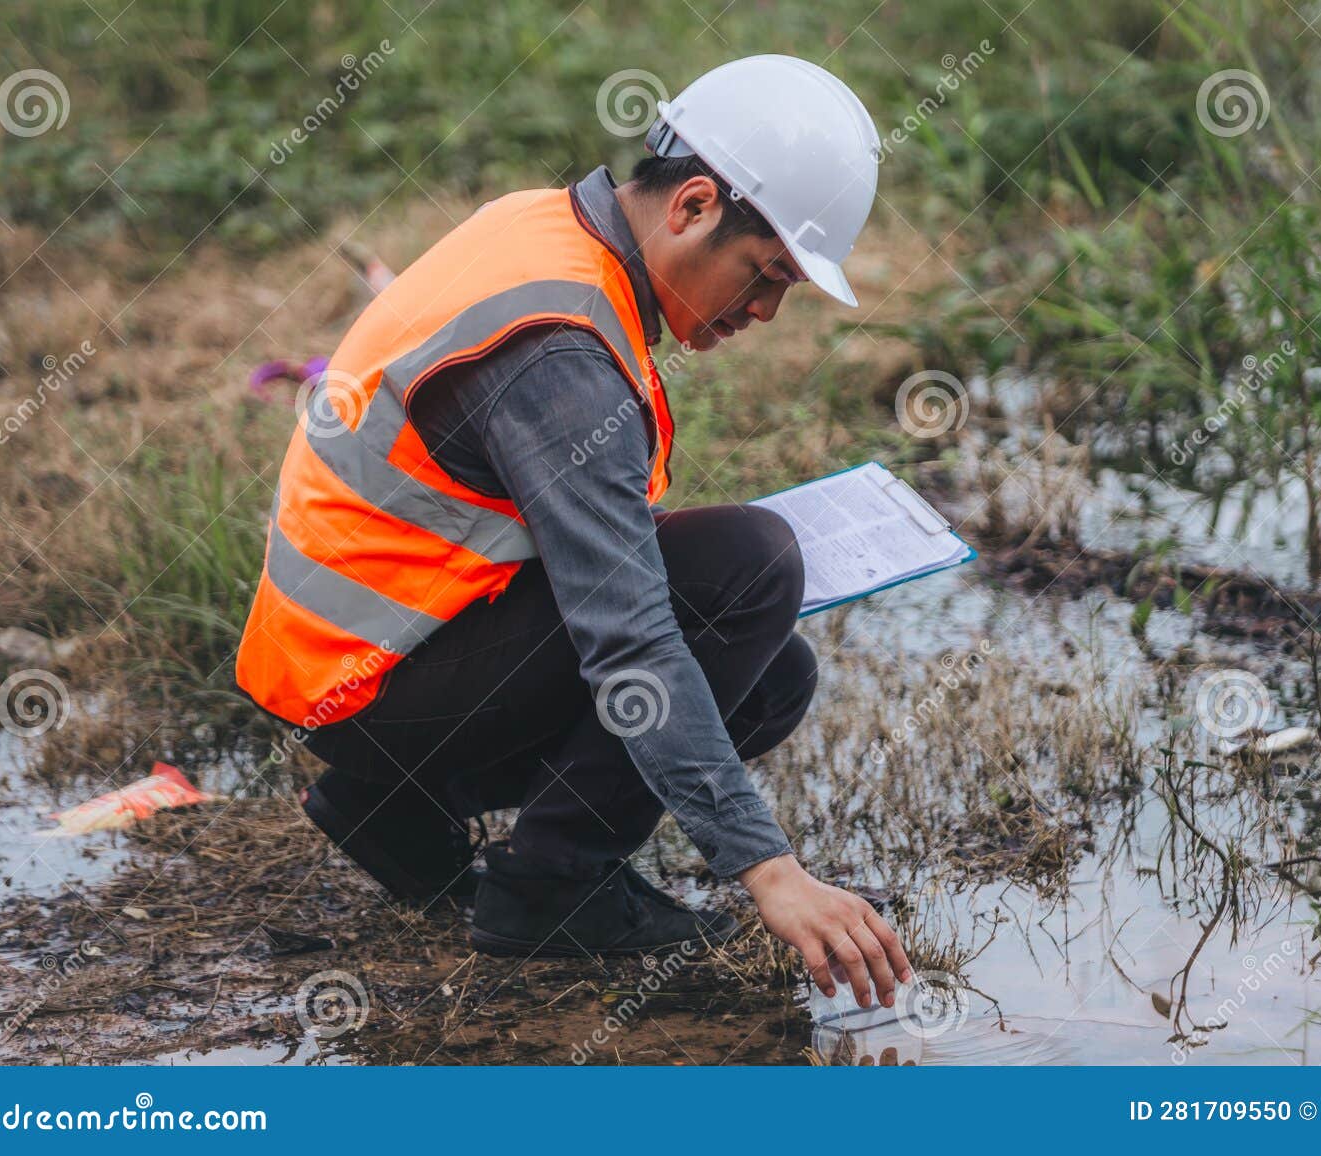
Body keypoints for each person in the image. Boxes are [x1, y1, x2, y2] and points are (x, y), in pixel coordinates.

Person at [234, 55, 912, 1011]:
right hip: (368, 686)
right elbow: (627, 637)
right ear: (693, 206)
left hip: (355, 669)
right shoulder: (558, 348)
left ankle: (391, 812)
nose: (763, 312)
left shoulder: (542, 224)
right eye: (765, 276)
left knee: (774, 676)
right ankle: (548, 890)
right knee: (748, 568)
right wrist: (771, 871)